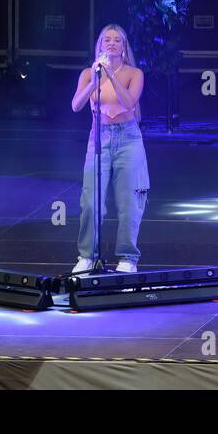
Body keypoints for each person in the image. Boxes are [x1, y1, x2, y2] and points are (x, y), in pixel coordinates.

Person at [70, 24, 147, 273]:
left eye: (117, 40)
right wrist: (95, 79)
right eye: (107, 40)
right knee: (92, 200)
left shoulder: (134, 73)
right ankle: (87, 255)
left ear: (123, 47)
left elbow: (129, 102)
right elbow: (76, 105)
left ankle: (127, 257)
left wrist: (111, 75)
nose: (112, 43)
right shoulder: (88, 73)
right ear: (100, 46)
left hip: (128, 138)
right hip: (99, 137)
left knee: (128, 201)